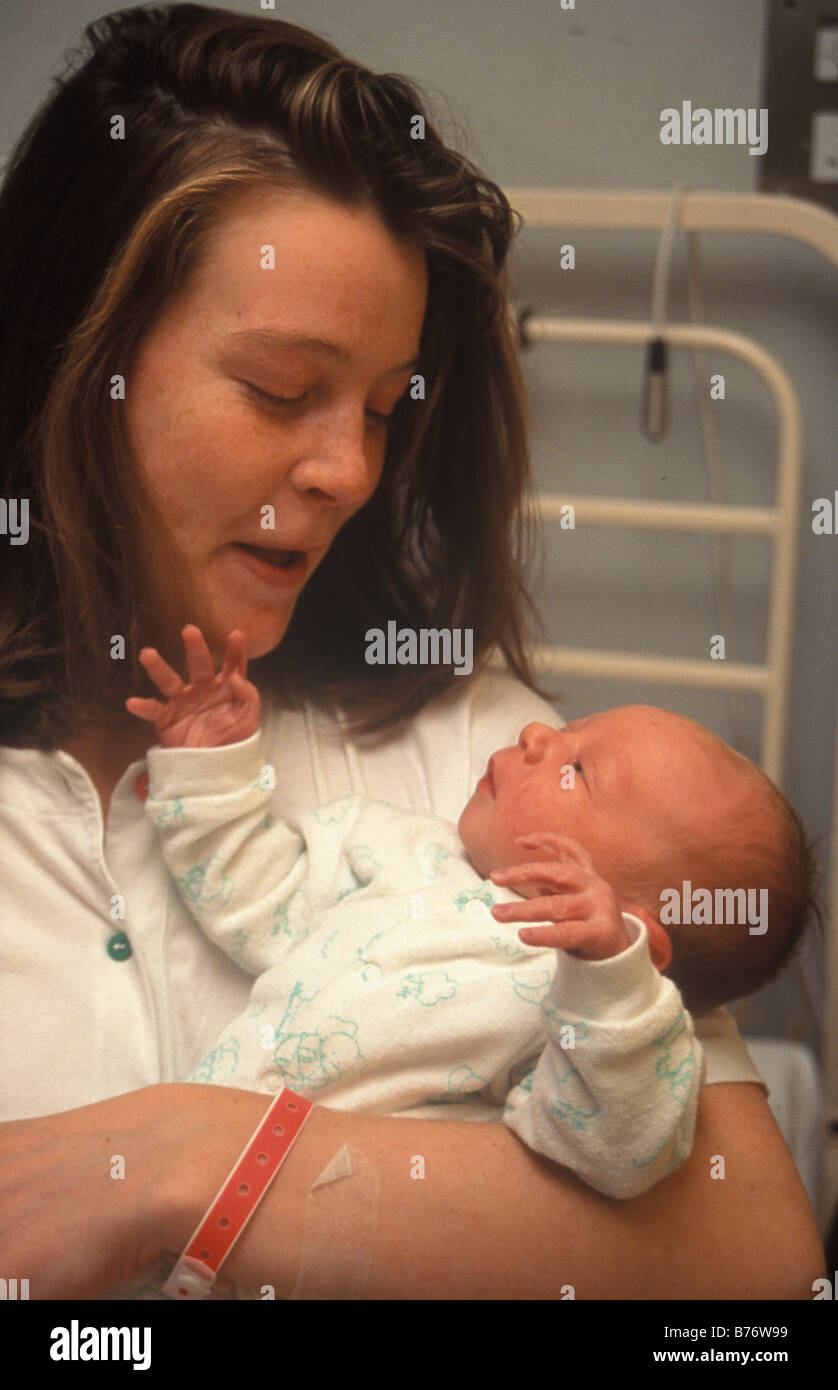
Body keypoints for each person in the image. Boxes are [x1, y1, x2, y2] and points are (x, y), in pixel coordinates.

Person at [0, 4, 825, 1301]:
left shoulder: (489, 778)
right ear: (74, 352)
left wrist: (181, 1157)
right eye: (281, 390)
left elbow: (752, 1243)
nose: (348, 472)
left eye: (384, 409)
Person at [123, 622, 813, 1216]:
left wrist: (608, 979)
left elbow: (623, 1149)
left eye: (579, 771)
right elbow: (257, 900)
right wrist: (211, 765)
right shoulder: (394, 846)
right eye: (570, 730)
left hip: (336, 1245)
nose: (538, 731)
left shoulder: (573, 1009)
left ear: (629, 931)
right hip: (186, 1198)